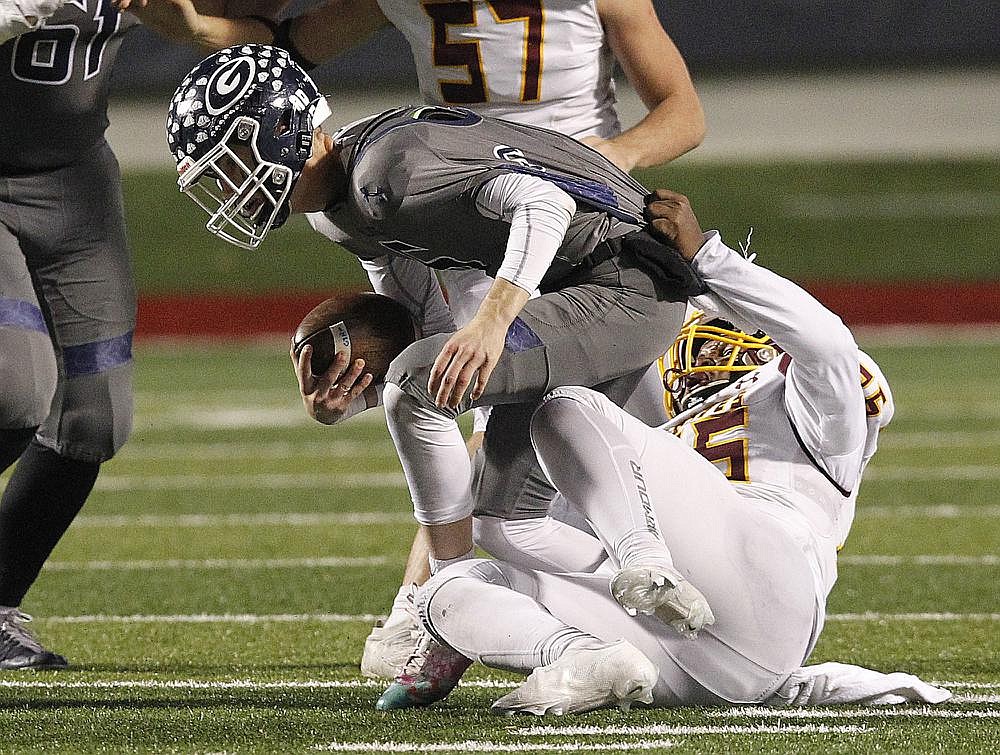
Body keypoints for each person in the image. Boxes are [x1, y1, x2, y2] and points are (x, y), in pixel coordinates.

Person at [127, 0, 705, 678]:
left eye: (229, 166)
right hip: (473, 229)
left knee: (644, 435)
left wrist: (498, 311)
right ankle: (473, 601)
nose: (229, 189)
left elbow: (647, 135)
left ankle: (444, 597)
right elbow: (416, 329)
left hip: (584, 237)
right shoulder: (350, 207)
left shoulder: (385, 174)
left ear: (281, 131)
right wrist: (349, 394)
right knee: (481, 464)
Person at [372, 189, 953, 713]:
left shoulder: (807, 406)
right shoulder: (649, 435)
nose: (700, 337)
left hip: (766, 583)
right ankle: (580, 657)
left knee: (566, 409)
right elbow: (527, 516)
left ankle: (644, 559)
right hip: (690, 664)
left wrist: (707, 259)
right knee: (455, 579)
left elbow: (824, 341)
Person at [0, 0, 286, 671]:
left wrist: (193, 28)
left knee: (93, 421)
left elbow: (252, 28)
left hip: (74, 181)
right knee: (14, 392)